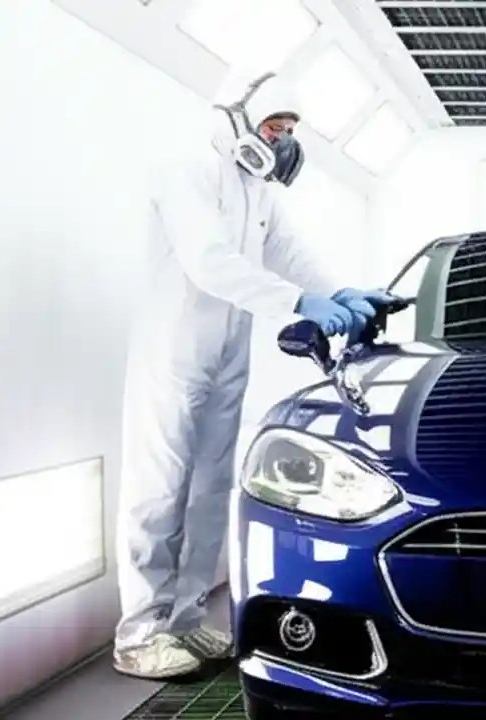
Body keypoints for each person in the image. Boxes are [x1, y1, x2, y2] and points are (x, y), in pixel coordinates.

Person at [112, 67, 393, 679]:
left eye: (289, 130)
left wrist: (342, 291)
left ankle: (185, 621)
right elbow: (210, 262)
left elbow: (291, 254)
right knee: (159, 493)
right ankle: (139, 632)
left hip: (227, 352)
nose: (282, 141)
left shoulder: (255, 188)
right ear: (235, 118)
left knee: (212, 489)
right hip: (174, 351)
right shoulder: (186, 170)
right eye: (274, 126)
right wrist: (299, 304)